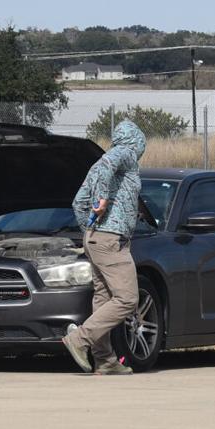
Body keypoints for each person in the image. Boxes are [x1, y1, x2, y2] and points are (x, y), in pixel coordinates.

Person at [62, 119, 148, 375]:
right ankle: (79, 340)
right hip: (112, 239)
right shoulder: (126, 154)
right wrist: (103, 199)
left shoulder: (96, 167)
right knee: (127, 299)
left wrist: (89, 231)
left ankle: (105, 360)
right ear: (137, 141)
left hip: (96, 239)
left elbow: (78, 203)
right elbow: (108, 165)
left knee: (104, 299)